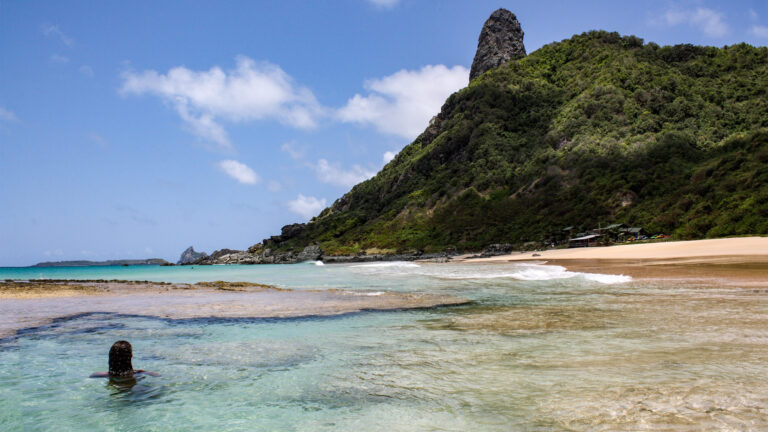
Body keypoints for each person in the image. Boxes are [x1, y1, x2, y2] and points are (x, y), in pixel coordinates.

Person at [90, 340, 159, 379]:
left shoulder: (97, 375)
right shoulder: (140, 373)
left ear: (110, 357)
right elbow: (158, 375)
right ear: (130, 356)